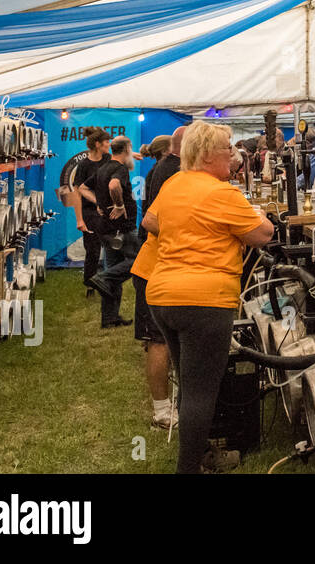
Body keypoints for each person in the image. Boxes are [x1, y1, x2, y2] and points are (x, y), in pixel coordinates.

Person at [142, 121, 274, 474]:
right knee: (201, 391)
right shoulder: (222, 194)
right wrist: (254, 215)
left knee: (189, 382)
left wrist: (189, 229)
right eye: (227, 149)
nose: (232, 156)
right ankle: (189, 469)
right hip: (204, 299)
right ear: (205, 155)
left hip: (163, 294)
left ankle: (196, 459)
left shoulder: (173, 184)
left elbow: (151, 220)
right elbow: (263, 234)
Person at [131, 127, 182, 429]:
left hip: (161, 268)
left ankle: (170, 405)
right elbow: (151, 221)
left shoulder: (166, 169)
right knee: (158, 340)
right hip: (154, 269)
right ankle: (162, 413)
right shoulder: (172, 173)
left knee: (163, 339)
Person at [84, 136, 140, 329]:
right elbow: (114, 185)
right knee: (137, 261)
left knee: (114, 272)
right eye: (130, 149)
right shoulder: (119, 169)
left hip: (106, 229)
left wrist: (98, 203)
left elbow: (83, 188)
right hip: (122, 228)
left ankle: (109, 318)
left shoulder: (103, 168)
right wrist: (119, 204)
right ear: (126, 149)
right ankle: (102, 278)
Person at [68, 127, 112, 298]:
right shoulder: (84, 166)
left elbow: (123, 155)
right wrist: (80, 220)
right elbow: (77, 194)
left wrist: (134, 155)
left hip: (107, 211)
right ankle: (91, 284)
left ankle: (109, 282)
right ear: (97, 144)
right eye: (107, 142)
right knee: (93, 251)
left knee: (111, 247)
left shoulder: (109, 159)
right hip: (90, 213)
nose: (109, 144)